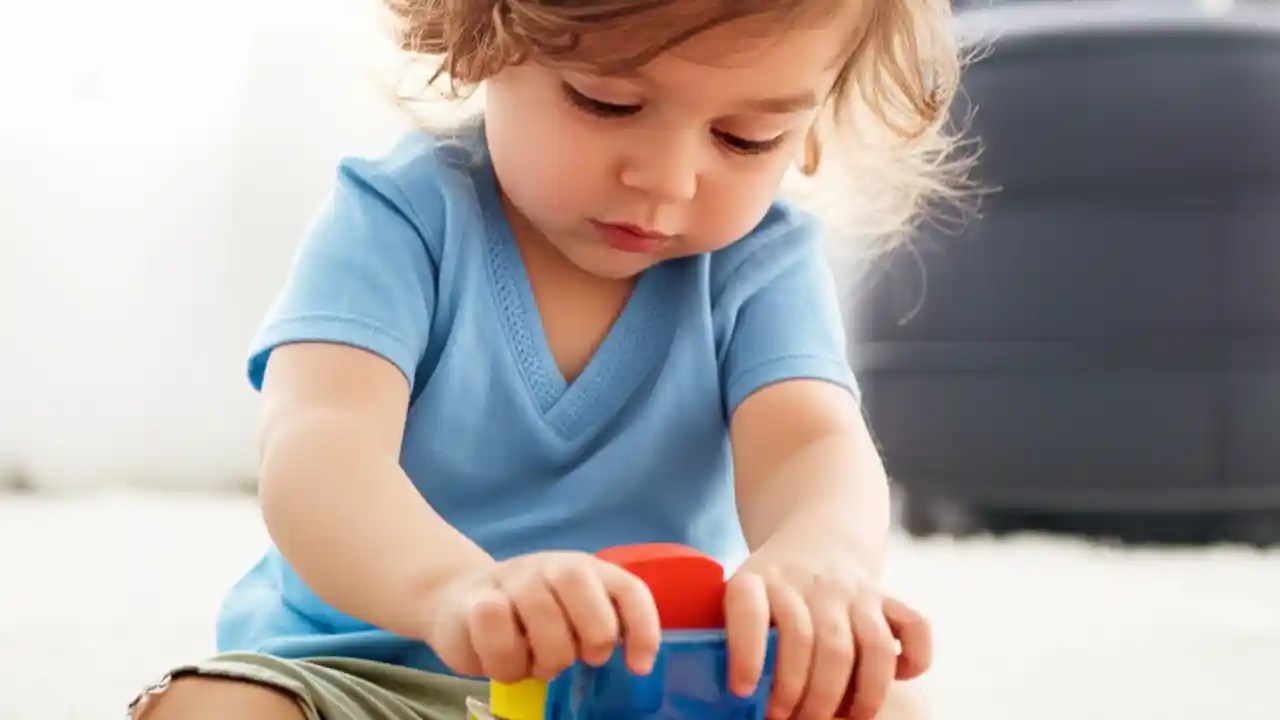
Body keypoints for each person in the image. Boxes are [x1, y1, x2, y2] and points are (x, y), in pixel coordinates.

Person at [129, 1, 967, 718]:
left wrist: (821, 556)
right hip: (369, 679)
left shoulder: (763, 262)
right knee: (212, 707)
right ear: (484, 33)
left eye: (747, 138)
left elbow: (810, 441)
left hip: (656, 687)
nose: (668, 180)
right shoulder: (398, 219)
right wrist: (453, 591)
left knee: (883, 704)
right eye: (606, 102)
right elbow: (318, 450)